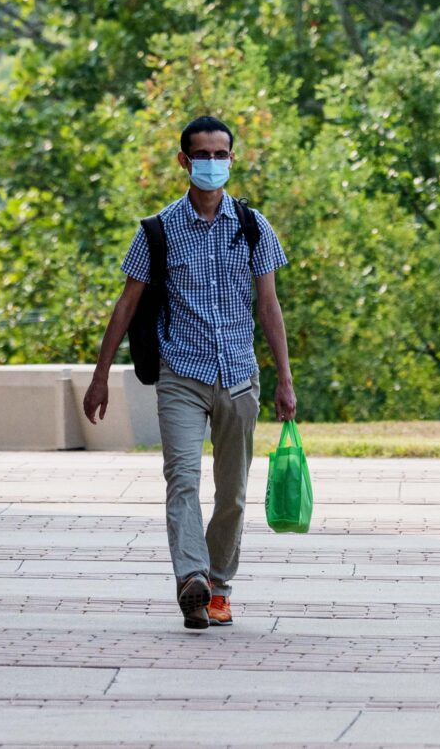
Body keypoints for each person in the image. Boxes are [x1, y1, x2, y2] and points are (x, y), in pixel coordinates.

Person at [83, 113, 294, 630]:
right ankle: (191, 579)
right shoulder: (157, 231)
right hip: (181, 375)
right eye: (202, 155)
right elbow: (126, 305)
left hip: (239, 377)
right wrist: (100, 375)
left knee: (232, 494)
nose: (212, 163)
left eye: (221, 155)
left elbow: (269, 306)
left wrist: (285, 379)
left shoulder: (252, 225)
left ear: (232, 159)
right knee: (182, 479)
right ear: (184, 161)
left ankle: (218, 586)